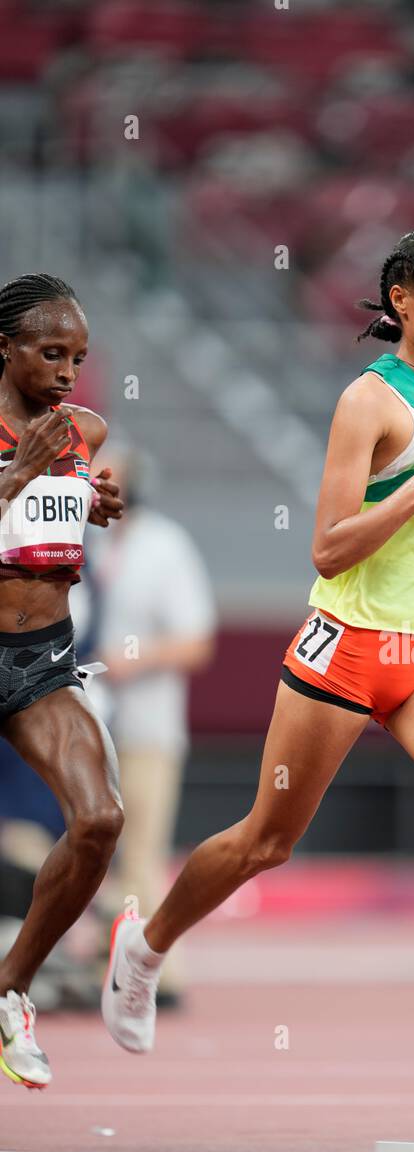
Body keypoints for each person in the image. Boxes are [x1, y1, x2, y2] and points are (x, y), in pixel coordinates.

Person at [103, 223, 414, 1108]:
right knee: (268, 840)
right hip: (345, 652)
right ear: (402, 300)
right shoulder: (368, 402)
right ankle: (145, 948)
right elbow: (332, 548)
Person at [0, 272, 124, 1088]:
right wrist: (17, 476)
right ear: (4, 349)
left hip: (39, 657)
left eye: (76, 357)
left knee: (101, 819)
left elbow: (56, 510)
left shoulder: (84, 430)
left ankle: (10, 991)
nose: (66, 372)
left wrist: (91, 500)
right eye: (50, 353)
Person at [88, 443, 216, 1004]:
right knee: (80, 851)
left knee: (141, 854)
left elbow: (195, 642)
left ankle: (159, 972)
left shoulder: (166, 546)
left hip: (147, 729)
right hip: (86, 727)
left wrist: (130, 662)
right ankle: (100, 959)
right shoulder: (82, 540)